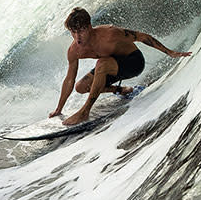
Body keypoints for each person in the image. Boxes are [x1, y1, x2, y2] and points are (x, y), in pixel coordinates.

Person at [50, 7, 191, 126]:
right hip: (109, 69)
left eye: (80, 31)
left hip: (133, 62)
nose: (77, 37)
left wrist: (170, 52)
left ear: (89, 27)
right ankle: (121, 90)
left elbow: (141, 36)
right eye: (73, 32)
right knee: (80, 86)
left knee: (102, 63)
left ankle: (85, 111)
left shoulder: (110, 34)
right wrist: (59, 109)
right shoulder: (74, 50)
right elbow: (69, 79)